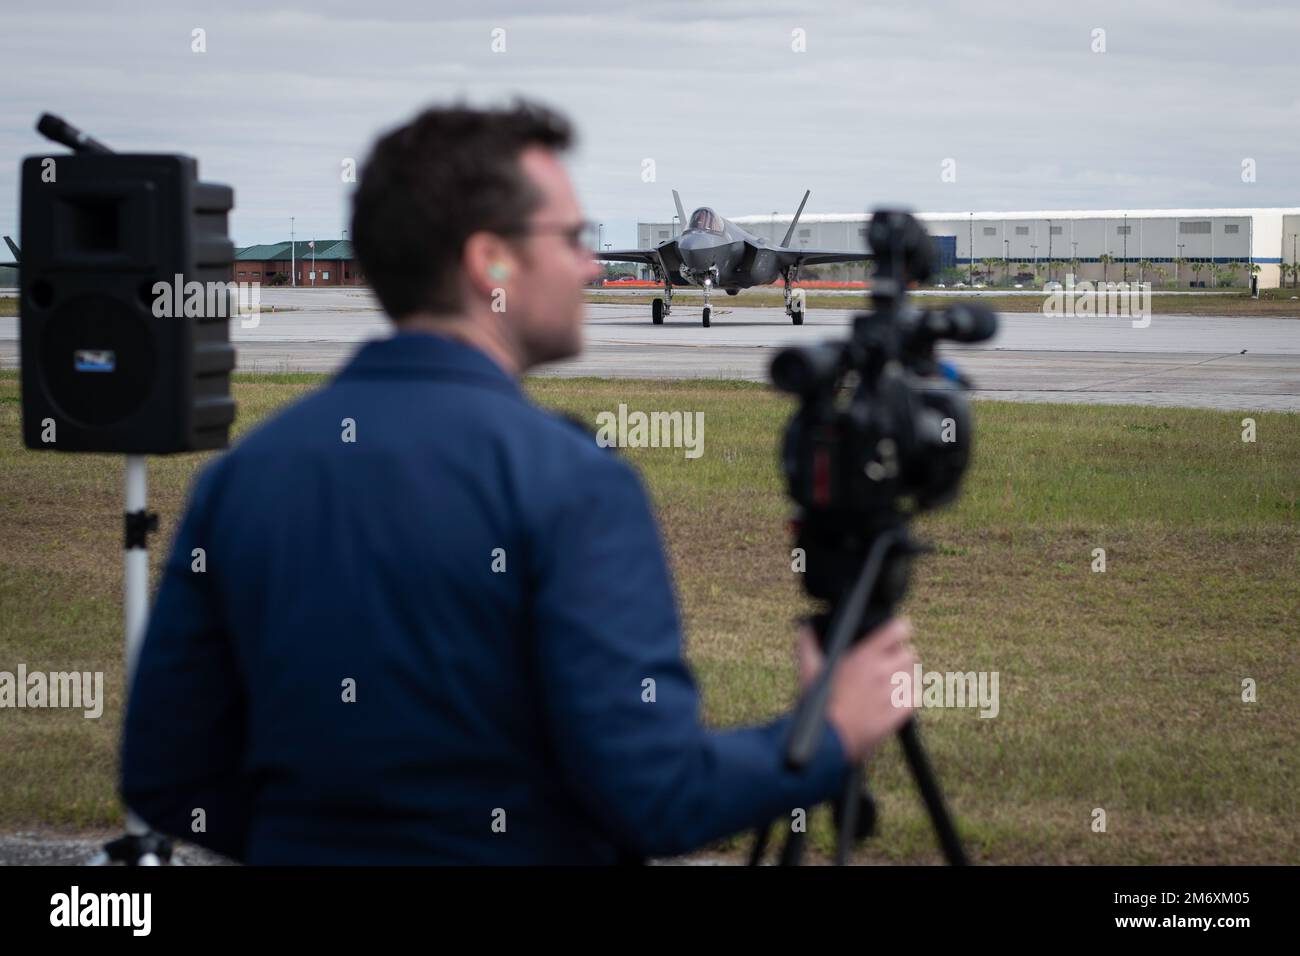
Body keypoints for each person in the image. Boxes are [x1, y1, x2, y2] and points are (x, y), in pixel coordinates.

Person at [120, 100, 917, 864]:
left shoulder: (241, 478)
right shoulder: (574, 487)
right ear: (489, 261)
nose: (592, 263)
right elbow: (657, 795)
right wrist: (829, 736)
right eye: (569, 236)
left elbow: (165, 774)